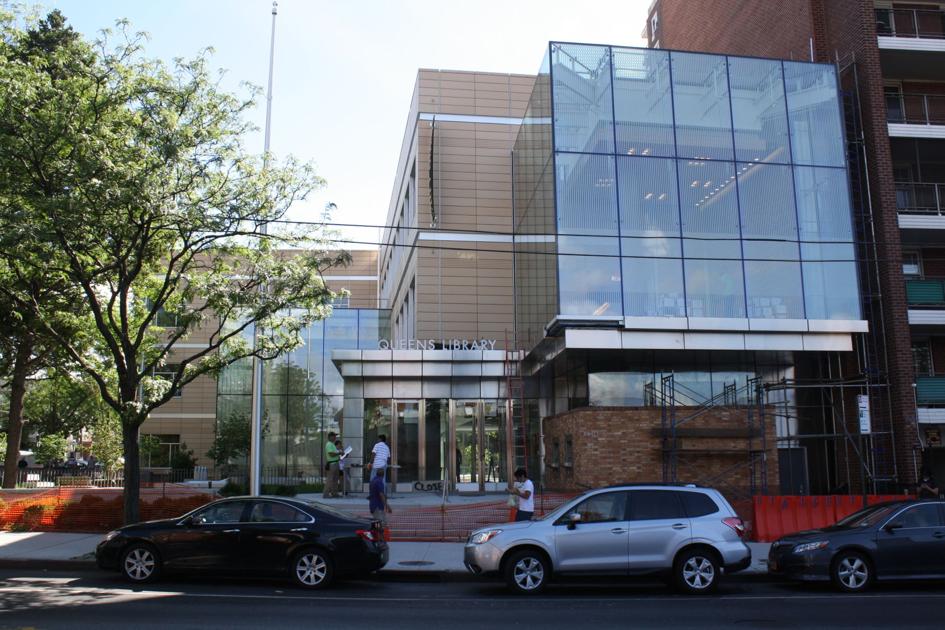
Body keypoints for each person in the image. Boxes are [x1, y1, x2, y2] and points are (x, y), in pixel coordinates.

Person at [323, 432, 341, 498]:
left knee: (335, 480)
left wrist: (341, 454)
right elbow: (331, 454)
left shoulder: (332, 444)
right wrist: (339, 453)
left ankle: (334, 493)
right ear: (330, 437)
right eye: (334, 436)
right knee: (330, 479)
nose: (335, 437)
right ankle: (326, 494)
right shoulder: (329, 444)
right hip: (332, 464)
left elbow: (335, 453)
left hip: (336, 463)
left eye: (335, 436)